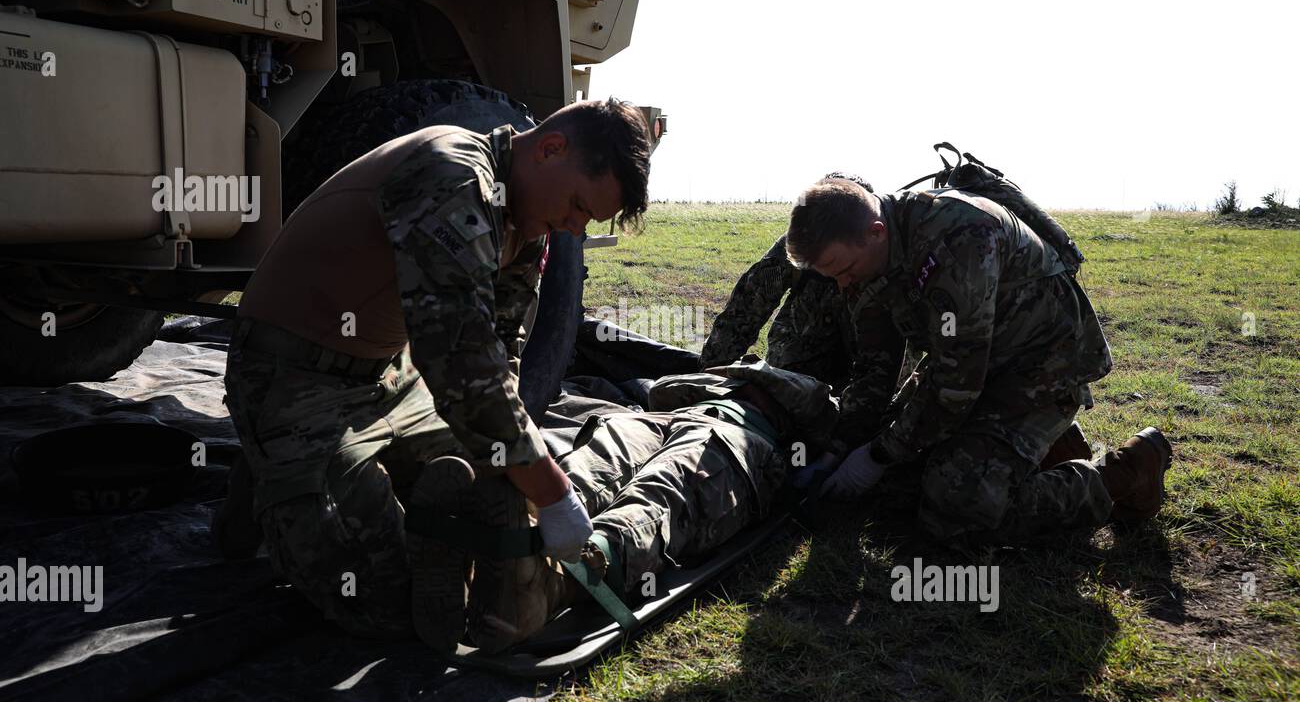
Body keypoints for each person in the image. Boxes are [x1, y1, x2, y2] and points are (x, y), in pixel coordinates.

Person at [219, 98, 652, 637]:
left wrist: (515, 466)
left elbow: (501, 348)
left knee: (488, 477)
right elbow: (462, 355)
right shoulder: (452, 175)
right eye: (579, 207)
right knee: (377, 599)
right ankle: (280, 481)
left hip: (393, 379)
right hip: (293, 378)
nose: (572, 228)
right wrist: (552, 492)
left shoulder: (526, 219)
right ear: (551, 148)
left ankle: (332, 488)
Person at [784, 176, 1171, 547]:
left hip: (1039, 366)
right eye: (833, 276)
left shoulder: (958, 237)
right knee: (900, 487)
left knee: (957, 510)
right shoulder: (866, 260)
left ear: (876, 231)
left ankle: (1125, 473)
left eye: (846, 270)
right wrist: (841, 446)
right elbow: (876, 368)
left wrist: (877, 454)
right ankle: (1045, 449)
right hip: (969, 362)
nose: (844, 285)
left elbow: (957, 386)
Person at [432, 358, 837, 651]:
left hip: (740, 439)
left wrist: (739, 371)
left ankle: (549, 589)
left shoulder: (810, 394)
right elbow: (663, 390)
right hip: (663, 419)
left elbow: (816, 410)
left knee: (660, 495)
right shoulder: (716, 381)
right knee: (591, 468)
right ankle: (496, 553)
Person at [697, 172, 872, 389]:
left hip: (866, 383)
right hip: (792, 377)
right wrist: (708, 378)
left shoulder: (880, 251)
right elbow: (745, 311)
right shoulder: (799, 244)